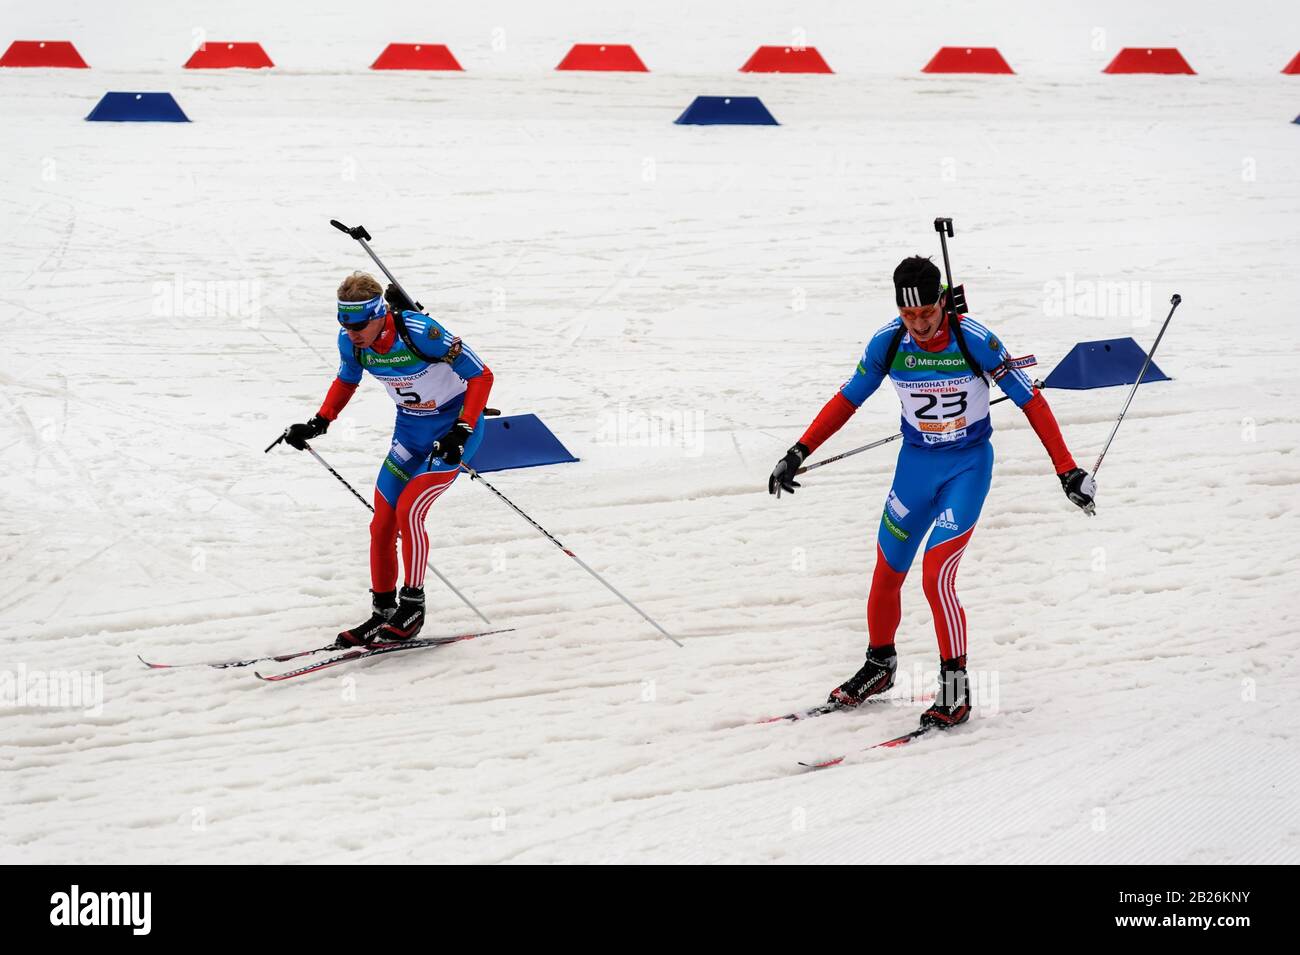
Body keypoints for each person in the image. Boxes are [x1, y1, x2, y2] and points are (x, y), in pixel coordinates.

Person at [768, 255, 1095, 729]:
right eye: (909, 314)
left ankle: (956, 692)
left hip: (967, 468)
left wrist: (1067, 470)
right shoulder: (889, 342)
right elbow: (848, 398)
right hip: (915, 469)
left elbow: (1032, 401)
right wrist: (798, 451)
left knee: (936, 574)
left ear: (943, 301)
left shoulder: (974, 339)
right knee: (887, 569)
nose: (919, 324)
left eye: (927, 312)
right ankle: (880, 666)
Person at [281, 272, 494, 646]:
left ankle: (412, 607)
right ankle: (382, 610)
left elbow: (481, 376)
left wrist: (462, 430)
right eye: (345, 325)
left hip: (450, 434)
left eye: (359, 325)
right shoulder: (352, 343)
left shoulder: (421, 332)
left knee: (410, 510)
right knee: (382, 523)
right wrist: (319, 422)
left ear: (379, 314)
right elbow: (347, 380)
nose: (352, 333)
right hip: (410, 433)